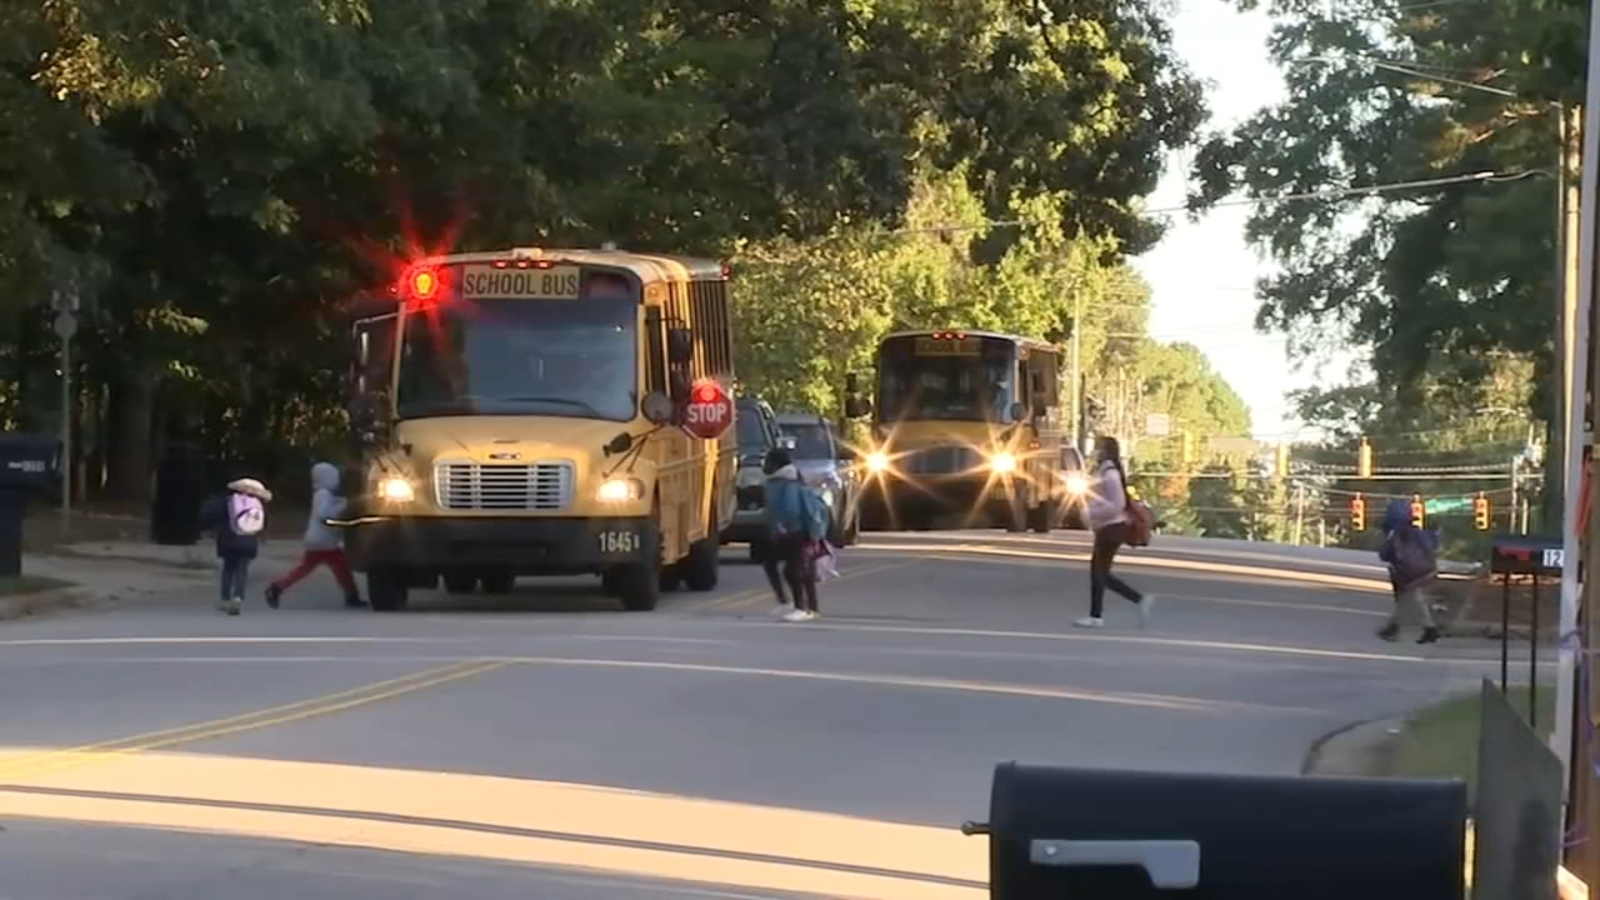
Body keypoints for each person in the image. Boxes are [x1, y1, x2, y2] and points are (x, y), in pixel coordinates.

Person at [1075, 436, 1156, 629]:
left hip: (1113, 527)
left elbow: (1117, 503)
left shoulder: (1110, 474)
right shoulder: (1107, 472)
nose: (1095, 452)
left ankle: (1097, 616)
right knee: (1101, 573)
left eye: (1098, 448)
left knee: (1098, 572)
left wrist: (1090, 513)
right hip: (1109, 527)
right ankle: (1136, 600)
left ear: (1106, 451)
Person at [264, 462, 366, 610]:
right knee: (340, 568)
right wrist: (343, 506)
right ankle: (352, 596)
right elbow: (323, 514)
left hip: (318, 539)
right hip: (325, 540)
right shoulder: (323, 494)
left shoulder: (322, 493)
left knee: (308, 568)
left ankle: (277, 587)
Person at [761, 447, 830, 622]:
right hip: (790, 531)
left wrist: (784, 526)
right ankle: (805, 606)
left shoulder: (787, 483)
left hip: (796, 532)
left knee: (793, 570)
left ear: (777, 464)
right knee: (792, 569)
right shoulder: (778, 481)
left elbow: (791, 508)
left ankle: (801, 607)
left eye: (768, 461)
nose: (765, 465)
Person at [199, 477, 272, 616]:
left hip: (228, 538)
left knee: (228, 568)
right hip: (249, 539)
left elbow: (211, 515)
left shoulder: (227, 501)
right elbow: (262, 523)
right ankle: (238, 597)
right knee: (242, 569)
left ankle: (225, 599)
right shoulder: (257, 503)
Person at [1376, 498, 1442, 644]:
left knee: (1406, 600)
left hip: (1404, 574)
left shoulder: (1394, 535)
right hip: (1424, 571)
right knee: (1412, 601)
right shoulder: (1419, 533)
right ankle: (1425, 629)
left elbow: (1384, 555)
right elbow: (1433, 545)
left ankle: (1425, 629)